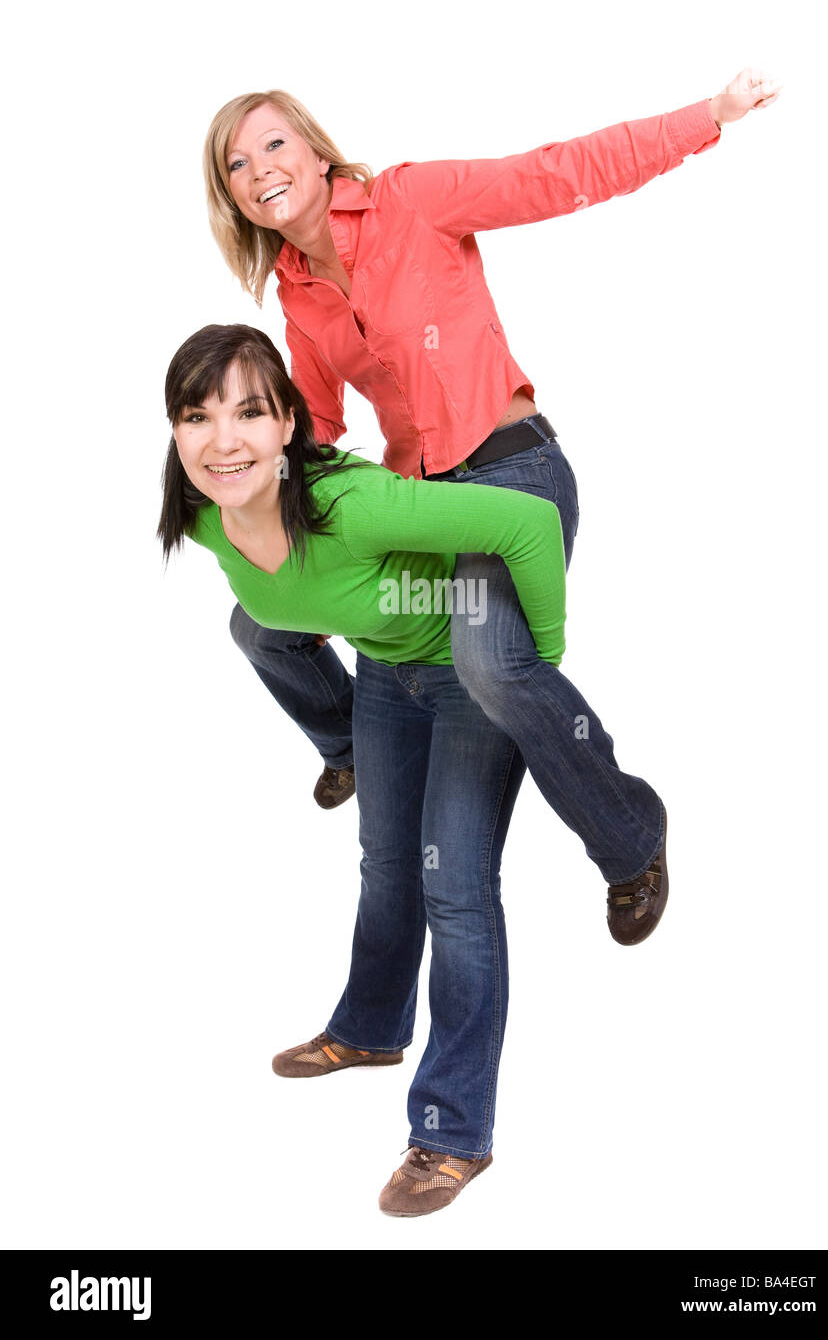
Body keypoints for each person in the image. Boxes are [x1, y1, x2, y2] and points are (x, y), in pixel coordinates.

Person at [201, 66, 780, 930]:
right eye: (236, 166)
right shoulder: (299, 294)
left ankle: (629, 831)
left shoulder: (411, 200)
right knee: (259, 625)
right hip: (422, 515)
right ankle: (353, 746)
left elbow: (553, 173)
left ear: (317, 154)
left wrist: (711, 115)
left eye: (273, 145)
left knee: (488, 659)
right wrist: (259, 509)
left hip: (513, 478)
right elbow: (311, 432)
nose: (259, 171)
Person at [160, 321, 649, 1214]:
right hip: (386, 669)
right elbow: (285, 607)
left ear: (290, 427)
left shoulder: (357, 505)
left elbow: (529, 522)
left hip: (466, 673)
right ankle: (370, 1029)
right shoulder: (204, 517)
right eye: (196, 416)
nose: (221, 439)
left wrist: (525, 670)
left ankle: (452, 1132)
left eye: (248, 413)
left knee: (455, 890)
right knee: (387, 866)